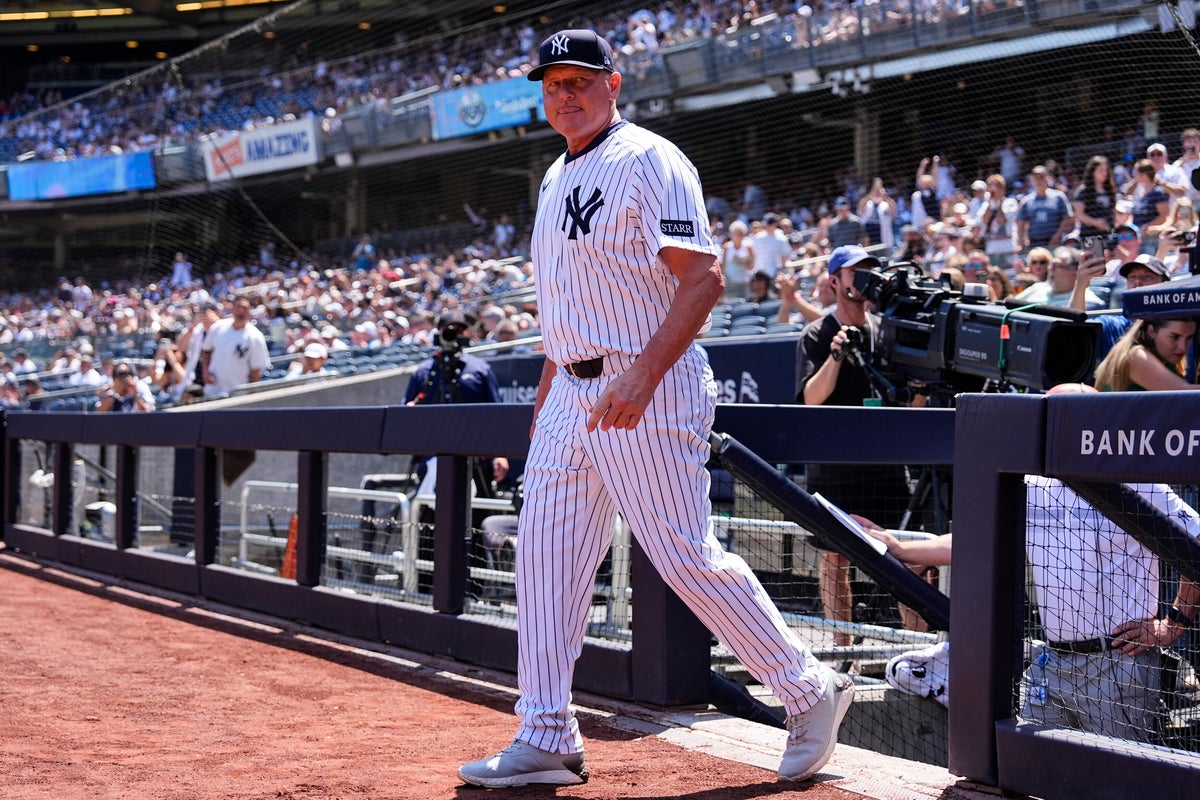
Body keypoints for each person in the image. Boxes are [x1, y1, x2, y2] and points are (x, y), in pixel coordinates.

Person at [458, 29, 853, 789]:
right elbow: (564, 311)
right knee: (543, 558)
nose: (565, 94)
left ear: (613, 83)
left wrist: (641, 375)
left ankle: (807, 688)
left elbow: (702, 279)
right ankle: (545, 732)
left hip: (647, 382)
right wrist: (545, 408)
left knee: (680, 553)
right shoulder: (554, 174)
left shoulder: (651, 158)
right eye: (553, 84)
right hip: (571, 389)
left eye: (580, 80)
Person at [797, 245, 913, 650]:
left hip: (888, 464)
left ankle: (920, 652)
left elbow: (911, 403)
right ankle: (840, 650)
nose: (863, 279)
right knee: (835, 558)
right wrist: (836, 356)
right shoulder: (816, 334)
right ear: (834, 281)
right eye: (854, 272)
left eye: (868, 270)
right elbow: (811, 399)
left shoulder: (889, 329)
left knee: (909, 556)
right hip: (836, 467)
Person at [1094, 316, 1200, 392]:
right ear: (1151, 331)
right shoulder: (1136, 356)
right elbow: (1186, 394)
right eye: (1174, 337)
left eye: (1189, 338)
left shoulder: (1168, 358)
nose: (1182, 347)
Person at [200, 296, 270, 397]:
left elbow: (255, 371)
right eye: (238, 307)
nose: (241, 311)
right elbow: (206, 351)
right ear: (232, 309)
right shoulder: (218, 327)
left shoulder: (255, 337)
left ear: (249, 311)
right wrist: (206, 371)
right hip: (214, 390)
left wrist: (251, 395)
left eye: (245, 308)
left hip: (238, 394)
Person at [1014, 165, 1074, 253]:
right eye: (1036, 178)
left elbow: (1067, 217)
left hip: (1055, 242)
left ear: (1047, 179)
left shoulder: (1058, 196)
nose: (1038, 181)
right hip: (1034, 242)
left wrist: (1057, 235)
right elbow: (1021, 223)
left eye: (1041, 178)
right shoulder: (1026, 200)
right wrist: (1021, 241)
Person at [1072, 155, 1117, 241]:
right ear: (1092, 172)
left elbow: (1113, 211)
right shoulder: (1083, 191)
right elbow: (1079, 214)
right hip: (1090, 236)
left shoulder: (1110, 190)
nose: (1105, 173)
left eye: (1106, 170)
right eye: (1101, 170)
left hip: (1108, 234)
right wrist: (1095, 222)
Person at [720, 219, 756, 299]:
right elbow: (723, 265)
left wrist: (743, 261)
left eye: (741, 233)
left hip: (745, 282)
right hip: (730, 282)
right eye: (736, 233)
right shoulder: (727, 247)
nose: (738, 236)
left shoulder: (748, 247)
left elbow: (752, 266)